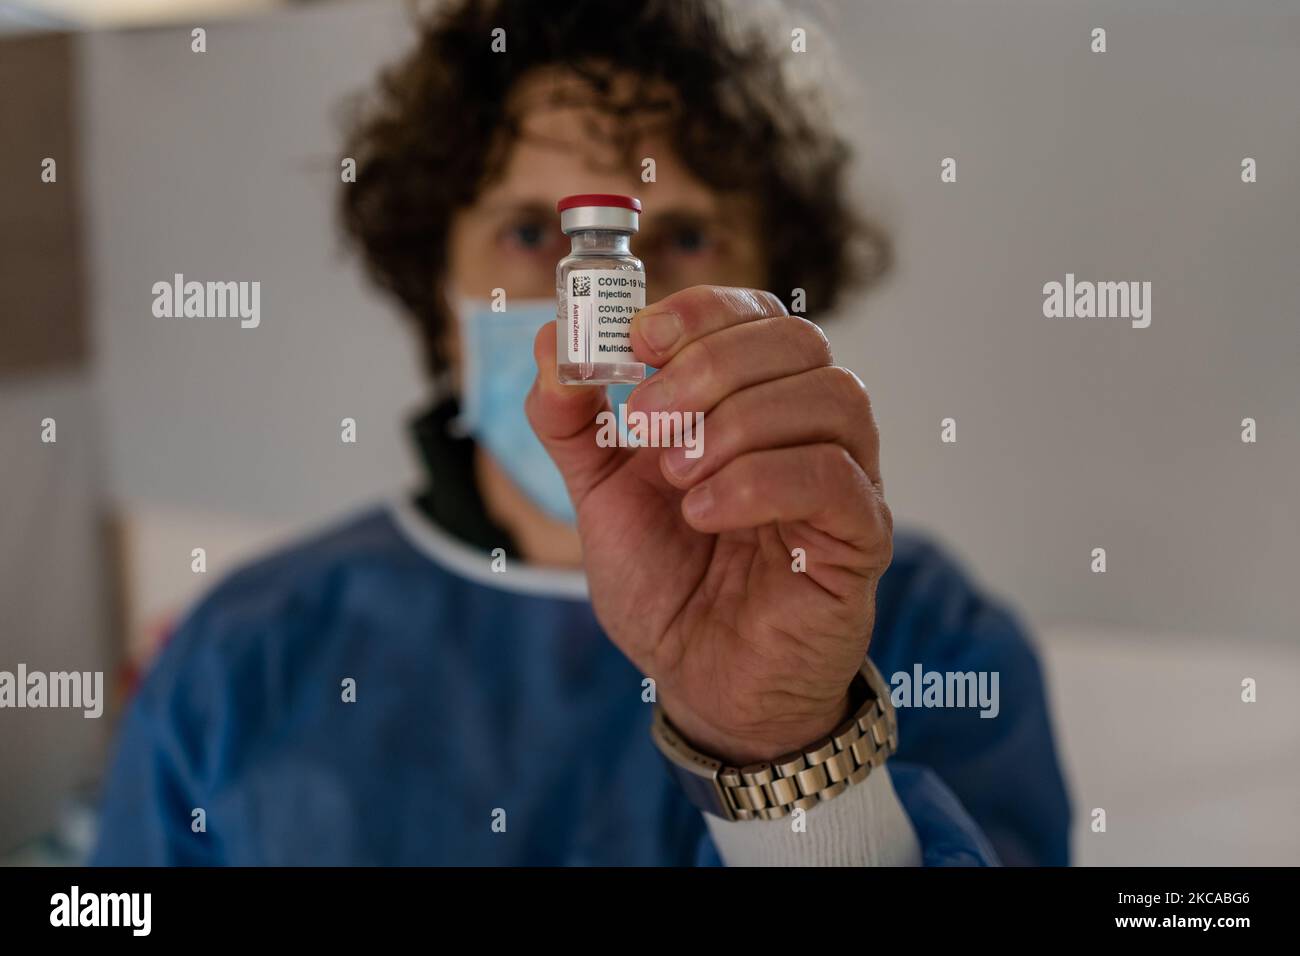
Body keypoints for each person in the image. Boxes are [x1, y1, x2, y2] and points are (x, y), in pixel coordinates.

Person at [92, 0, 1070, 866]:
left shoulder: (932, 637)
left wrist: (793, 756)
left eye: (683, 236)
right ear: (440, 300)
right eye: (527, 234)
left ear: (775, 285)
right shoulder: (241, 660)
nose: (613, 287)